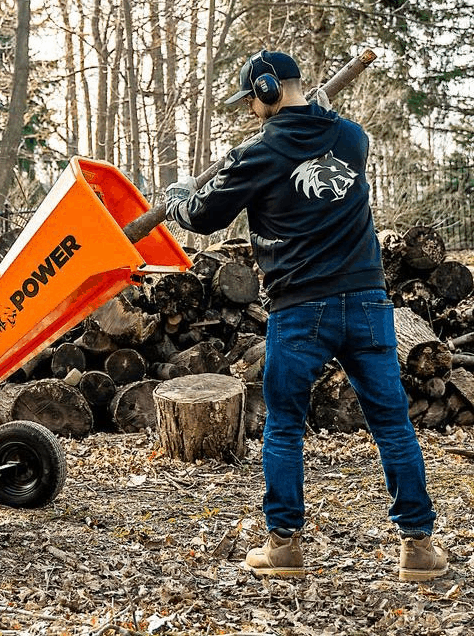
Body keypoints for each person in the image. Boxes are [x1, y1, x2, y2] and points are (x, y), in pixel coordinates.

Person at [164, 50, 447, 581]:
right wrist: (311, 120)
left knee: (286, 427)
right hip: (367, 303)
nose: (250, 107)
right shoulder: (352, 138)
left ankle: (285, 547)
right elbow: (327, 139)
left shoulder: (261, 151)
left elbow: (204, 216)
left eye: (252, 97)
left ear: (267, 90)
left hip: (300, 310)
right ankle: (419, 548)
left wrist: (180, 198)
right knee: (392, 425)